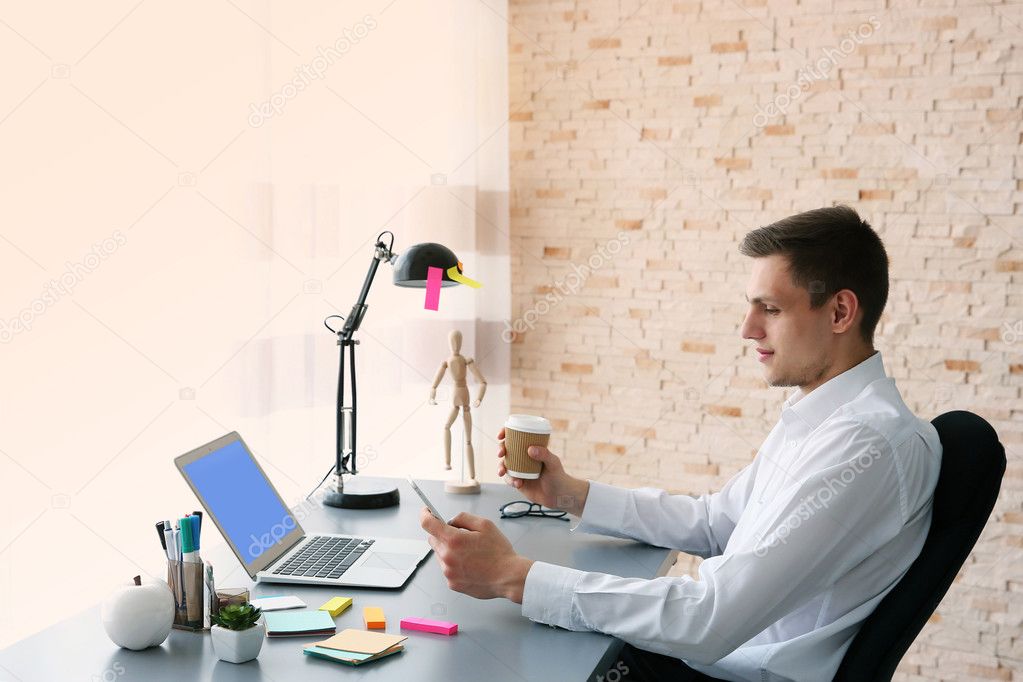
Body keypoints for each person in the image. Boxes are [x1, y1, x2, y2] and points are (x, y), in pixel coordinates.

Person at [419, 205, 942, 682]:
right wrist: (570, 494)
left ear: (839, 313)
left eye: (771, 309)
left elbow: (709, 618)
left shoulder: (865, 445)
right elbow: (718, 522)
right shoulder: (820, 417)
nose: (747, 328)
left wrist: (514, 576)